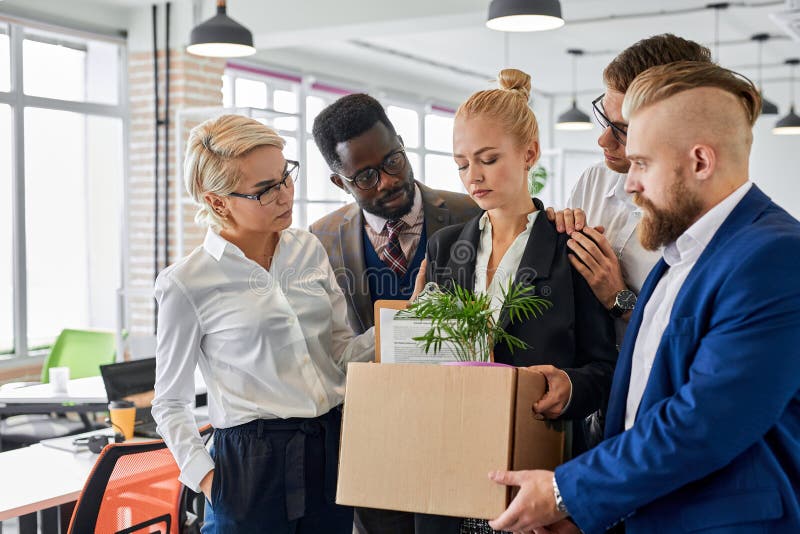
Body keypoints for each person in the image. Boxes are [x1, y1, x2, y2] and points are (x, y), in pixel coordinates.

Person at [487, 62, 800, 534]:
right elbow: (641, 404)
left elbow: (705, 421)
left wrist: (566, 492)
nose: (630, 184)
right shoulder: (678, 254)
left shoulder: (774, 256)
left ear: (700, 162)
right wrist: (592, 511)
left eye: (642, 164)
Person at [416, 69, 617, 534]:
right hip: (449, 468)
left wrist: (569, 386)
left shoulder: (571, 247)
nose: (473, 176)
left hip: (537, 470)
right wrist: (410, 326)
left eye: (488, 159)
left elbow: (606, 369)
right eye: (462, 164)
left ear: (530, 153)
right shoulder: (444, 247)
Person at [151, 115, 375, 533]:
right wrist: (209, 481)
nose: (285, 194)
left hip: (329, 449)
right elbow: (169, 403)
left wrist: (405, 321)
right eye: (265, 189)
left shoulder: (308, 249)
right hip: (249, 468)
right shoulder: (186, 284)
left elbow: (340, 355)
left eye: (286, 175)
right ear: (217, 202)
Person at [310, 93, 481, 534]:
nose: (387, 181)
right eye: (365, 177)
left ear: (401, 144)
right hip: (372, 441)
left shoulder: (471, 214)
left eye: (393, 161)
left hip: (460, 431)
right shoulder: (320, 240)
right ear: (339, 182)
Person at [549, 34, 712, 345]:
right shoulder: (594, 180)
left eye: (623, 130)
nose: (603, 141)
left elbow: (690, 339)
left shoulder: (705, 223)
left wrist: (619, 298)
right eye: (604, 118)